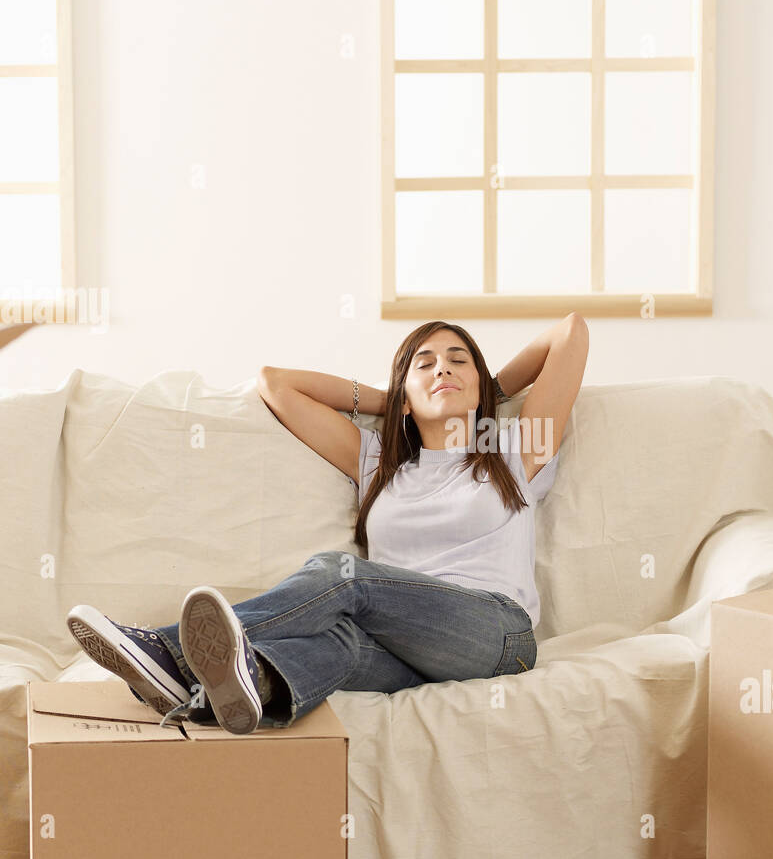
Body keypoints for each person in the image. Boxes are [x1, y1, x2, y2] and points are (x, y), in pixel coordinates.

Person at [66, 315, 589, 736]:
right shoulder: (379, 463)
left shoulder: (515, 451)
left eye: (458, 362)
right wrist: (393, 404)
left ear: (480, 386)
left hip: (495, 635)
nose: (443, 370)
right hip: (401, 646)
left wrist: (491, 391)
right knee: (336, 643)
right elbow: (276, 383)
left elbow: (569, 332)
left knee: (345, 574)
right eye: (424, 364)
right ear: (405, 392)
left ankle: (164, 649)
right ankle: (225, 691)